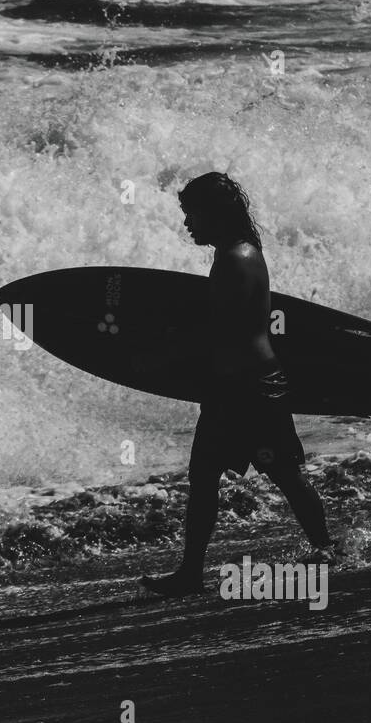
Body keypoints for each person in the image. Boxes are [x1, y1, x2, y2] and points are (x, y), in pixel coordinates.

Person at [142, 172, 342, 598]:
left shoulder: (235, 258)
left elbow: (227, 333)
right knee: (223, 476)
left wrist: (175, 356)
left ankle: (324, 549)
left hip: (245, 388)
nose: (187, 224)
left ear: (213, 212)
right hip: (247, 385)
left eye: (191, 214)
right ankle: (194, 571)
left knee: (270, 474)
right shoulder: (241, 252)